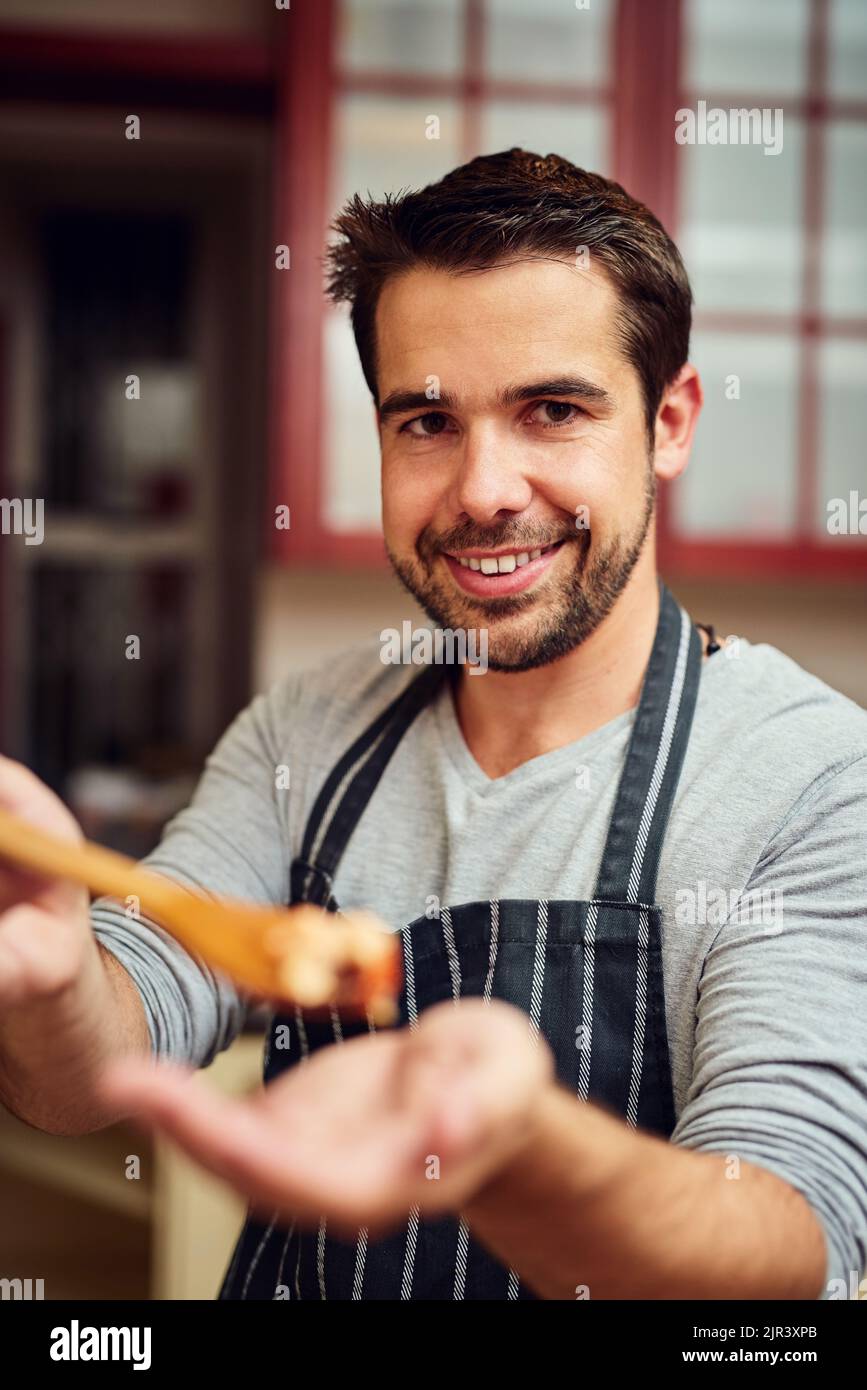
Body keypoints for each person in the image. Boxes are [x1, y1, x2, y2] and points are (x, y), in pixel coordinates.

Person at [2, 150, 865, 1302]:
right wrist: (55, 975)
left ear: (669, 421)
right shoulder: (304, 733)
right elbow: (92, 1074)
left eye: (552, 410)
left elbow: (783, 1243)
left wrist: (514, 1148)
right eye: (427, 421)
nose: (484, 489)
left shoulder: (808, 777)